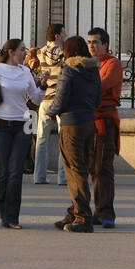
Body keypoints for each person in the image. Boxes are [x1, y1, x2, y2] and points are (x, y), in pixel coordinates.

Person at [0, 39, 42, 229]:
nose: (26, 53)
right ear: (12, 52)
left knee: (17, 172)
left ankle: (13, 217)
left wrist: (43, 85)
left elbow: (36, 99)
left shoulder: (26, 72)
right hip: (1, 125)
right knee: (5, 171)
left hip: (23, 124)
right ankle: (4, 212)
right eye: (22, 50)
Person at [47, 35, 101, 232]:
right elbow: (97, 99)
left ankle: (82, 218)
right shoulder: (93, 69)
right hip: (88, 122)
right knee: (81, 170)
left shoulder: (68, 70)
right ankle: (75, 211)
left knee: (74, 172)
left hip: (71, 125)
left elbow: (60, 99)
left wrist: (50, 112)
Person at [88, 27, 123, 227]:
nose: (92, 45)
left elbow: (102, 85)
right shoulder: (89, 64)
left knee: (104, 168)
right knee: (94, 168)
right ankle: (99, 210)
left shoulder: (113, 64)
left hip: (105, 119)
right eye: (89, 42)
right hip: (90, 120)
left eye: (95, 42)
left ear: (105, 45)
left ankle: (107, 212)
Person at [32, 23, 67, 185]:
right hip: (59, 97)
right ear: (57, 36)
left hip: (45, 98)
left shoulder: (39, 52)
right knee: (63, 138)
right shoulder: (64, 53)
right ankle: (62, 177)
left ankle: (39, 176)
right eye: (63, 32)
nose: (66, 34)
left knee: (42, 138)